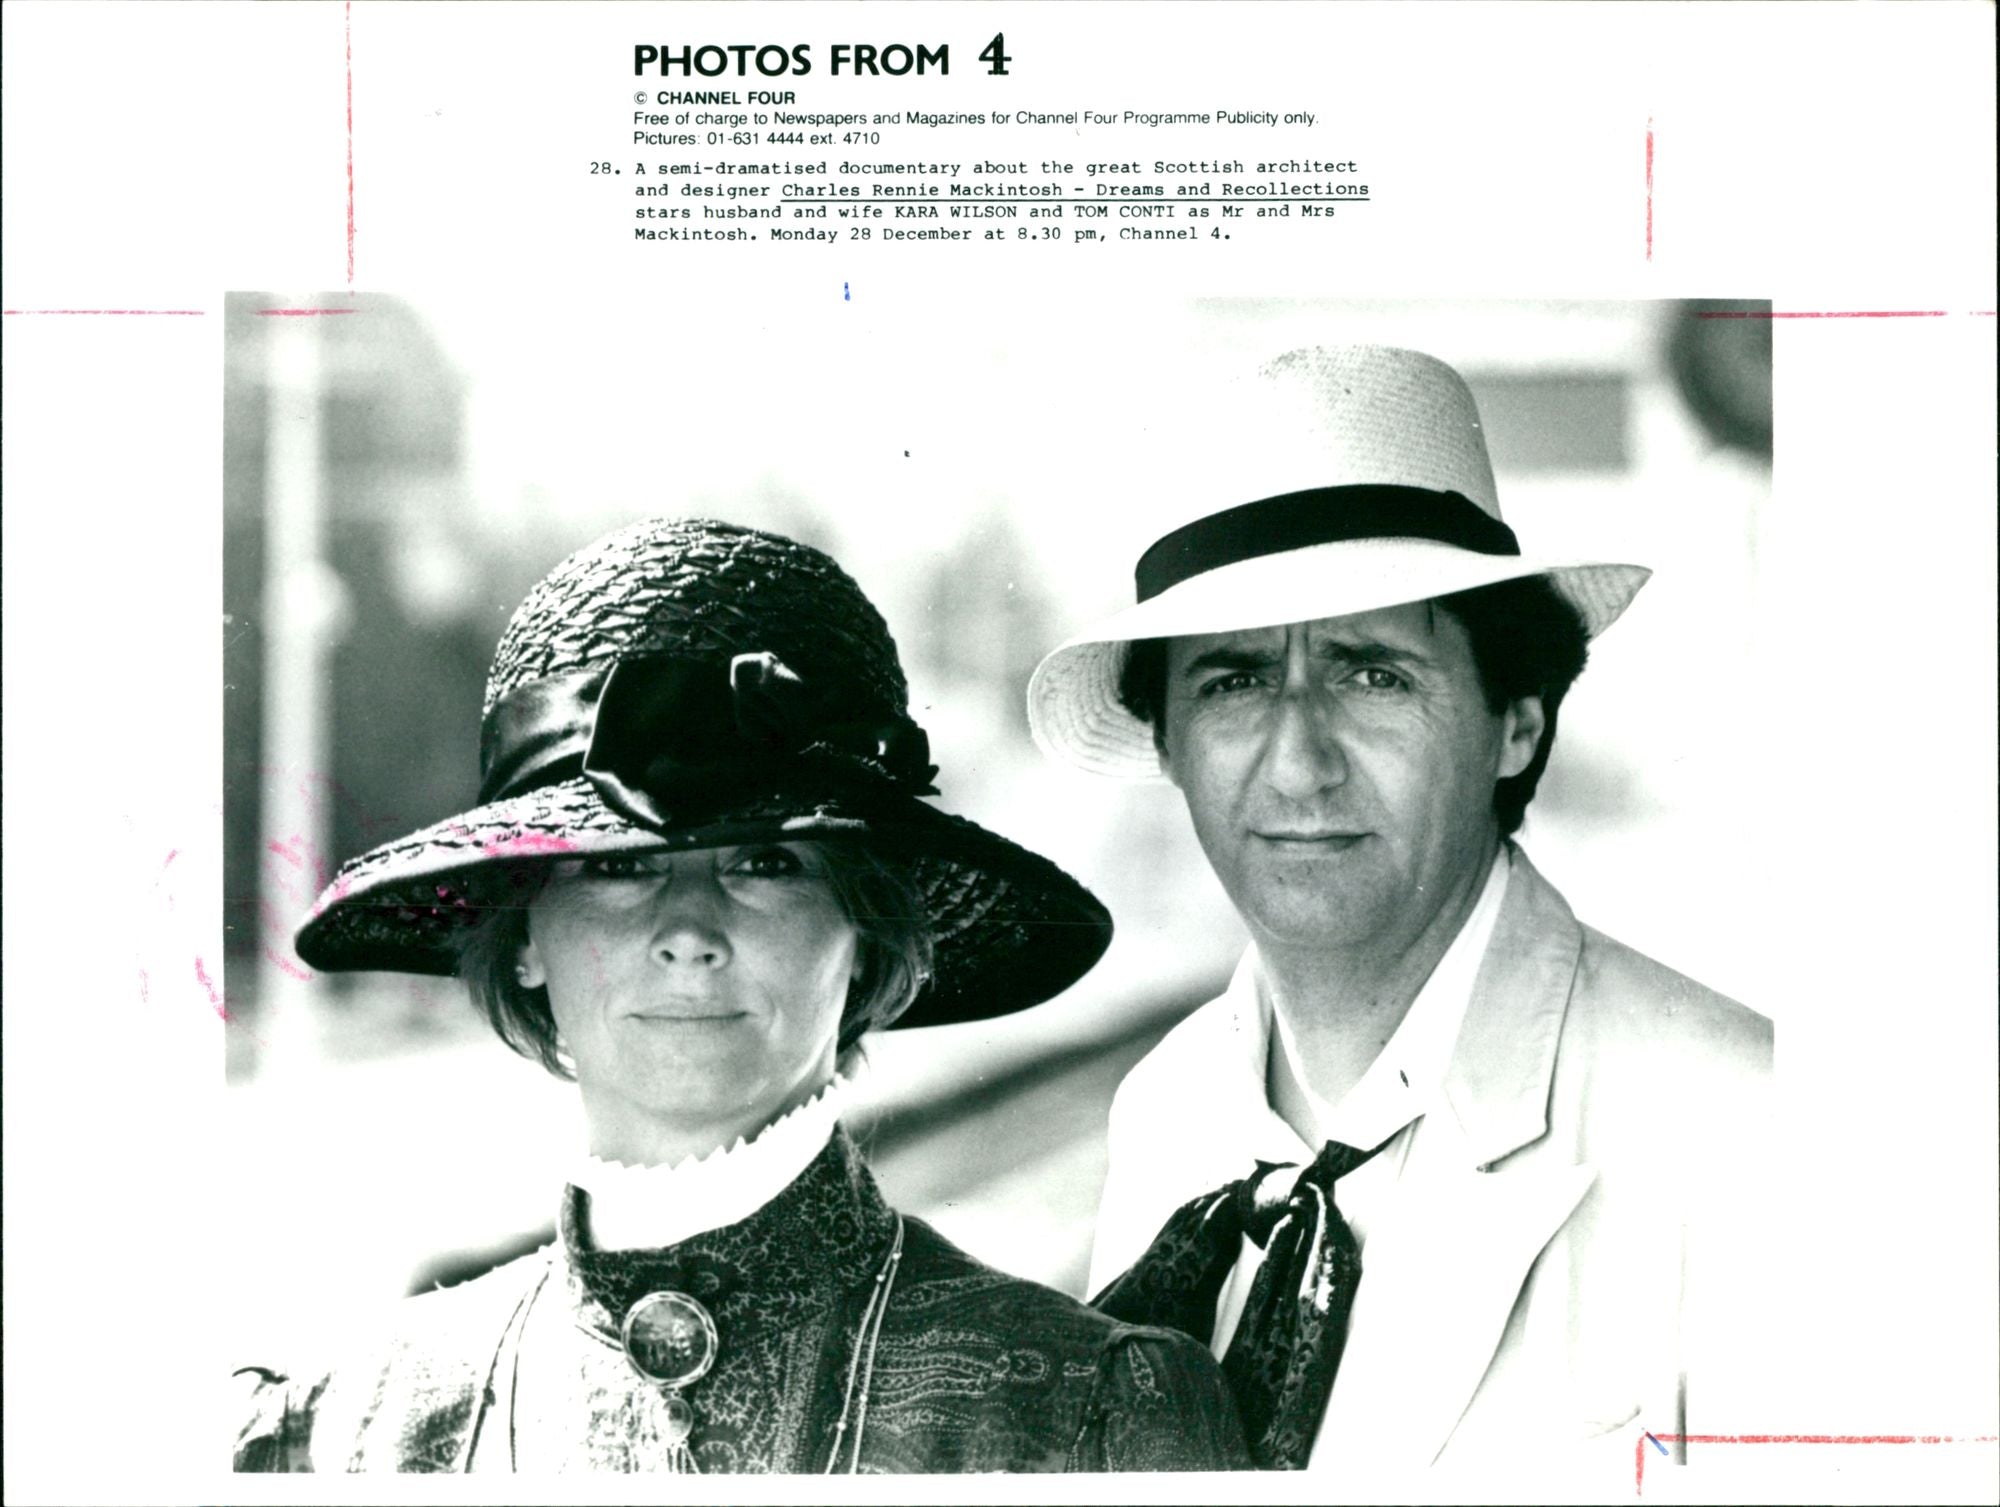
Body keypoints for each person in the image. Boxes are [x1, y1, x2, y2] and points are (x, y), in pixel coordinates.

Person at [233, 517, 1249, 1474]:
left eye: (765, 861)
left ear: (867, 934)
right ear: (526, 933)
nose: (688, 932)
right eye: (618, 866)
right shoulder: (346, 1433)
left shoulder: (1092, 1415)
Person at [1027, 345, 1774, 1481]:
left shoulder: (1745, 1128)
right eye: (1233, 681)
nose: (1297, 763)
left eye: (1371, 673)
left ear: (1515, 722)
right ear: (1168, 743)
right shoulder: (1165, 1110)